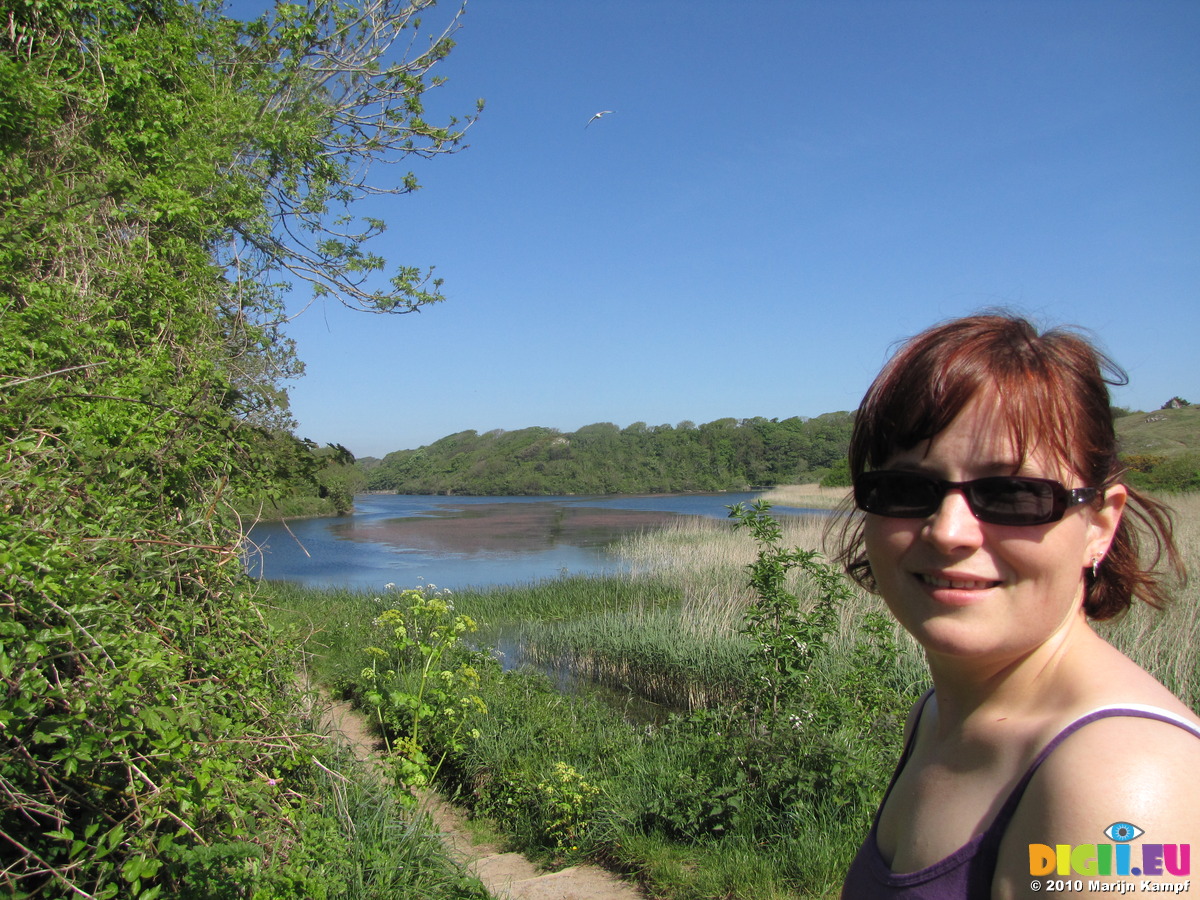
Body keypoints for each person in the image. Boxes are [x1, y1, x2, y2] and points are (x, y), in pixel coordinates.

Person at [836, 313, 1199, 899]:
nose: (950, 531)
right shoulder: (938, 715)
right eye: (906, 489)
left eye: (1011, 493)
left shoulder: (1120, 786)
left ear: (1100, 526)